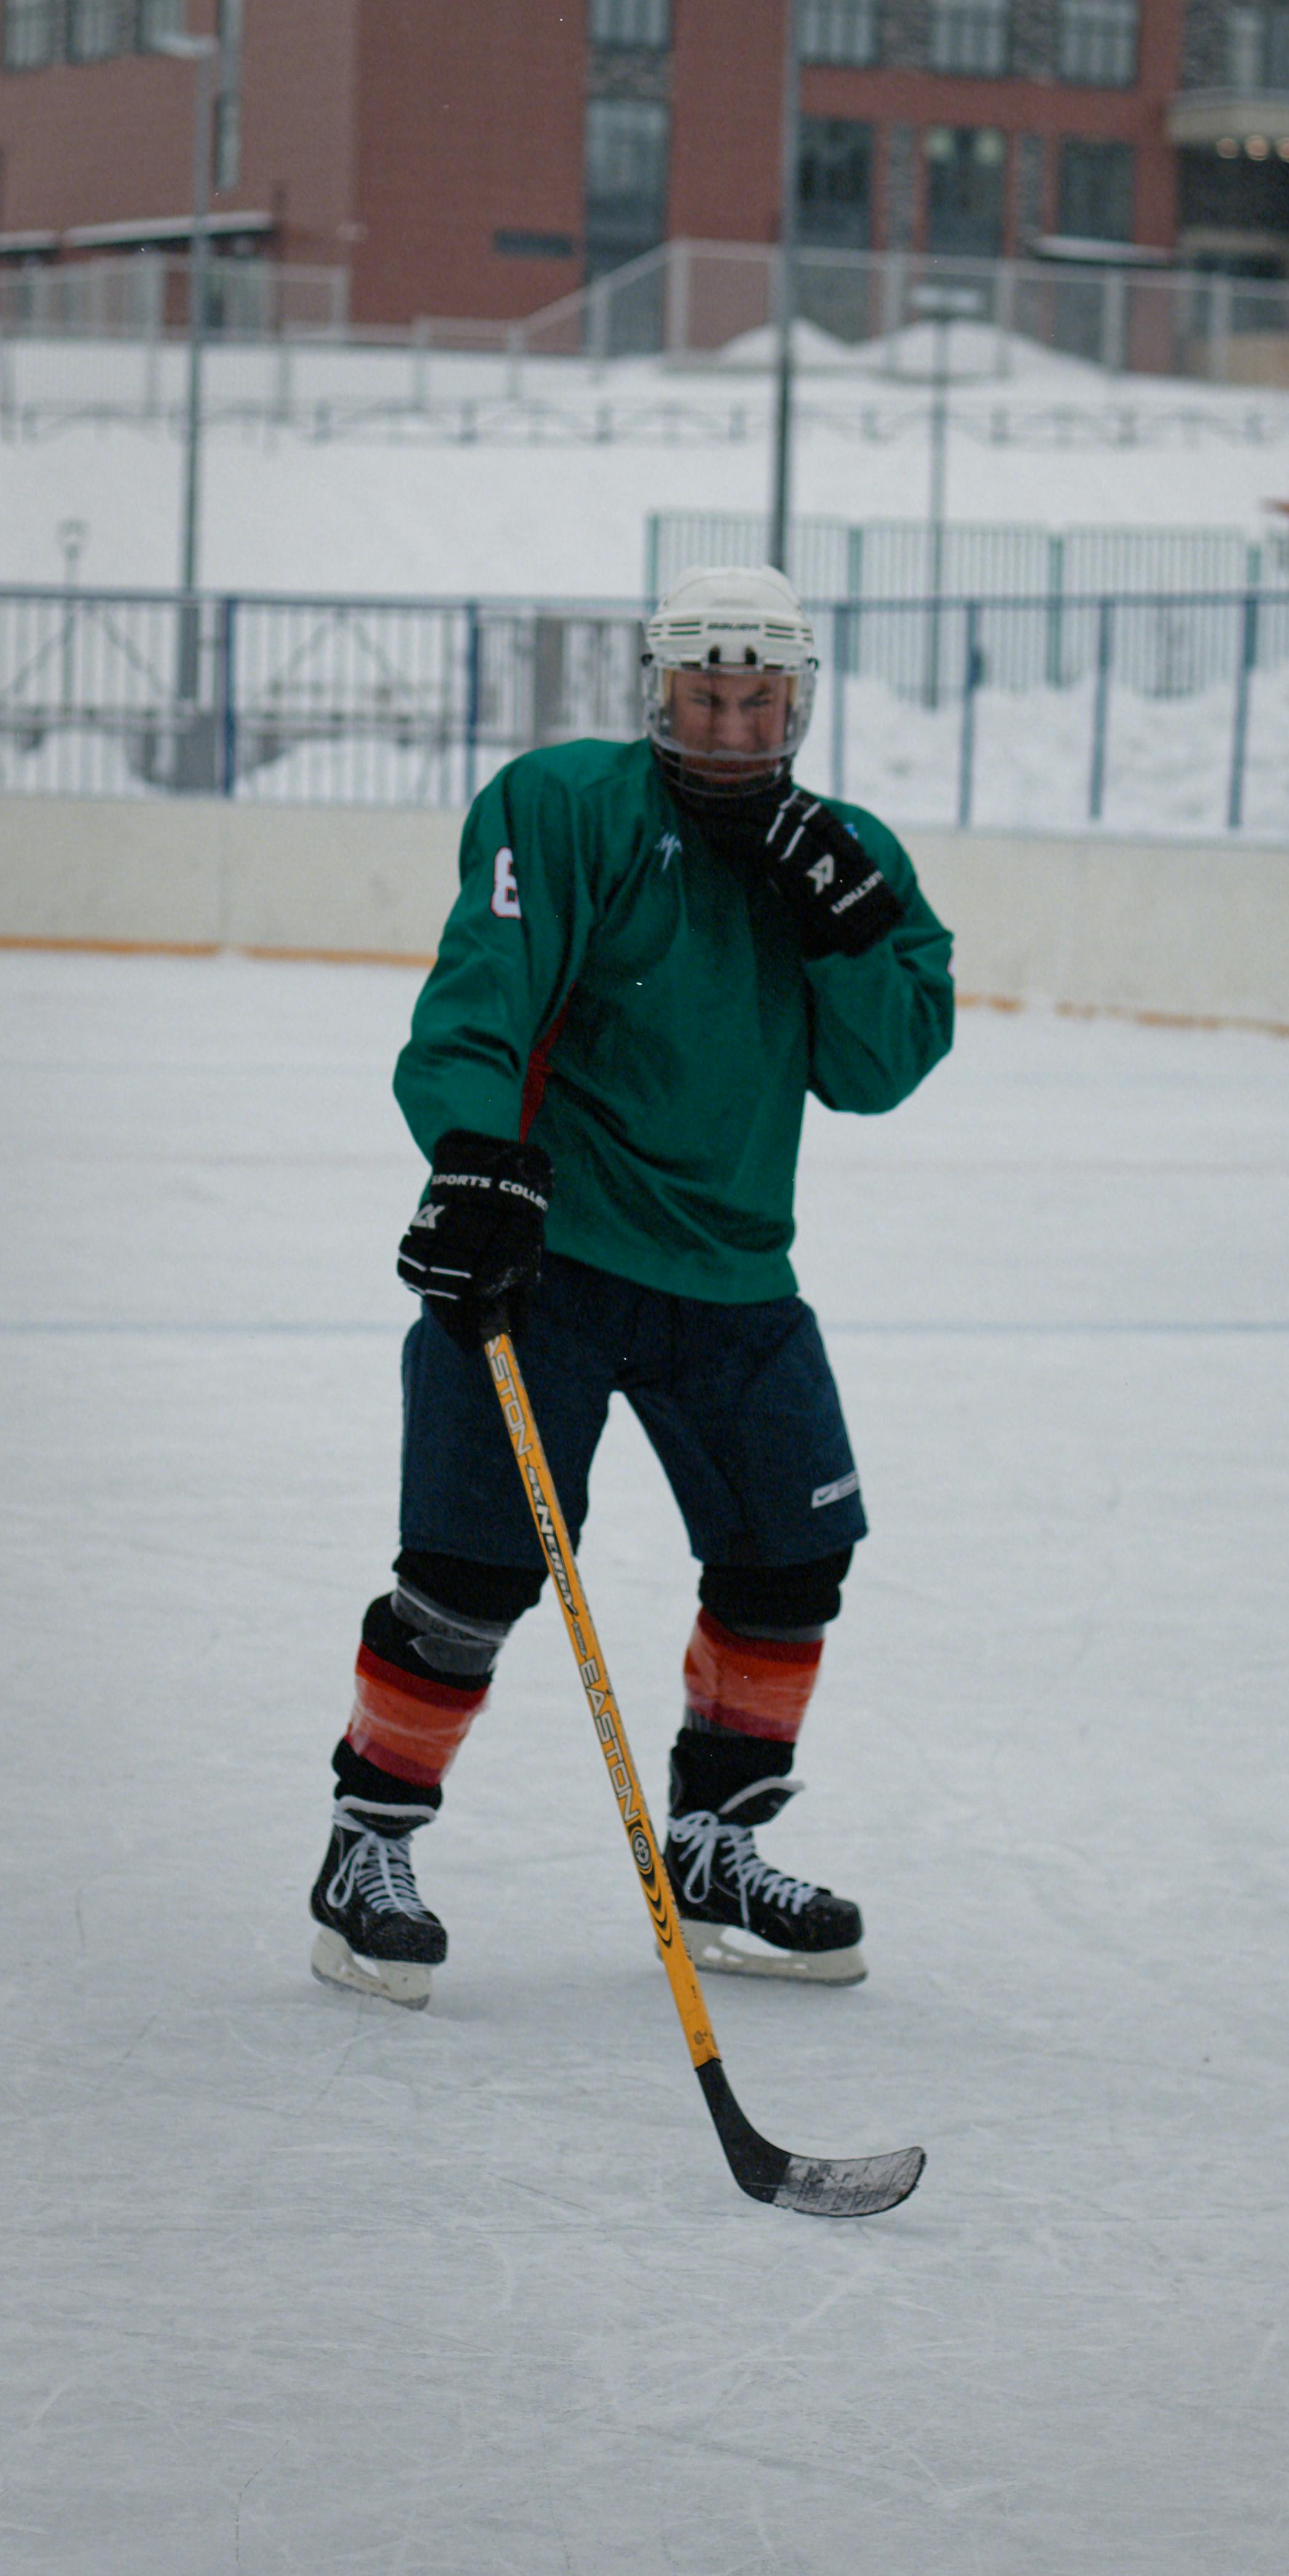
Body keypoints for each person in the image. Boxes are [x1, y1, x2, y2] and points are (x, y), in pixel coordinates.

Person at [308, 565, 955, 2009]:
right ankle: (369, 1847)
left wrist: (849, 929)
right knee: (471, 1571)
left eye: (758, 699)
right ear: (655, 695)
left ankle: (717, 1844)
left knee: (791, 1566)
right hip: (551, 1254)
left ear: (798, 703)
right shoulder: (563, 806)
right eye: (705, 697)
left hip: (736, 1270)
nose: (731, 727)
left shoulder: (844, 851)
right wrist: (477, 1160)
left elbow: (881, 1067)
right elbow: (483, 992)